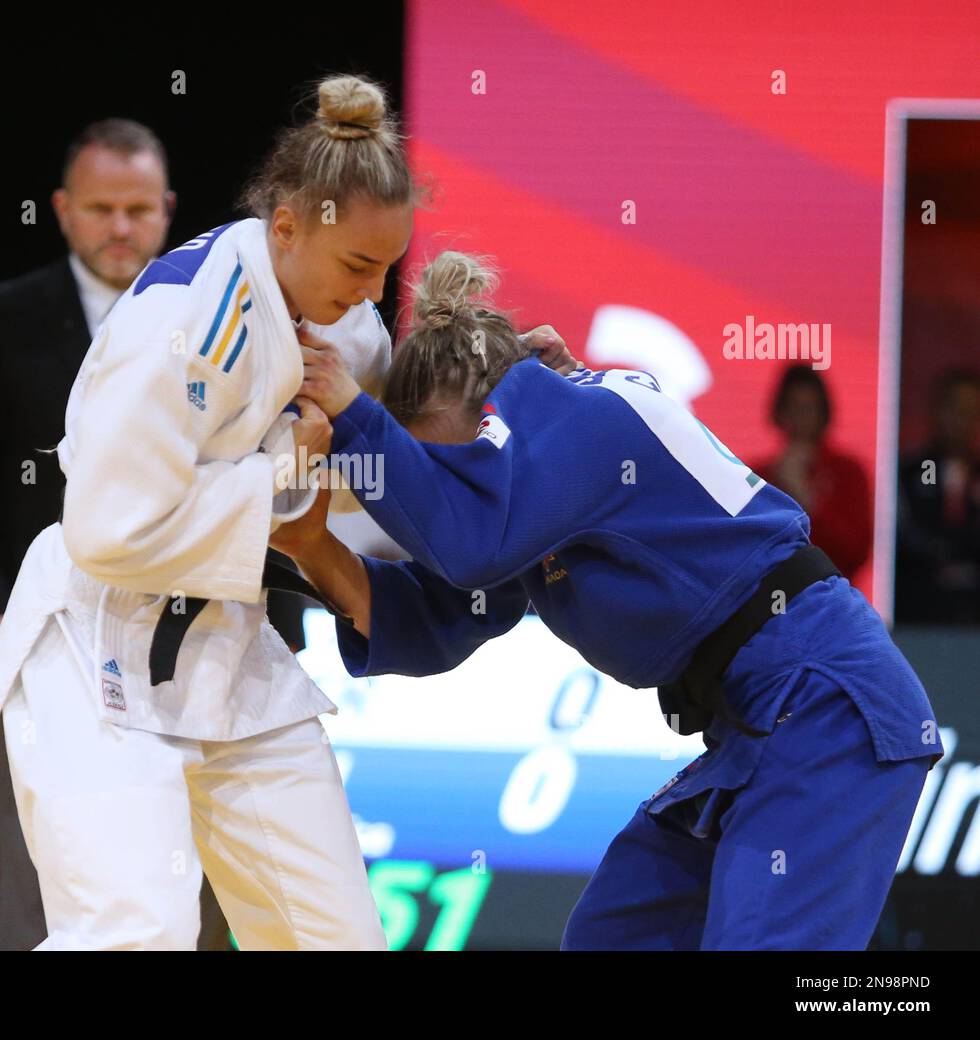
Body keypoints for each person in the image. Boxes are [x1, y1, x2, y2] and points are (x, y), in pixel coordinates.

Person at [280, 251, 943, 950]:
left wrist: (354, 415)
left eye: (448, 464)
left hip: (825, 702)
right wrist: (310, 544)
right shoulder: (534, 474)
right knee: (615, 935)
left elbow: (469, 544)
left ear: (487, 411)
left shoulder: (582, 421)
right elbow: (437, 617)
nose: (451, 485)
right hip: (752, 719)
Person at [0, 74, 419, 950]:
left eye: (386, 269)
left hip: (223, 645)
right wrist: (291, 471)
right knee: (137, 935)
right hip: (95, 647)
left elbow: (380, 428)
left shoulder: (346, 322)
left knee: (335, 937)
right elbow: (109, 530)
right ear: (286, 227)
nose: (370, 293)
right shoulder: (180, 324)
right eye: (358, 266)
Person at [0, 118, 178, 950]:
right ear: (63, 210)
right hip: (46, 637)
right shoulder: (2, 319)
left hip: (190, 636)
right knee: (46, 863)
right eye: (101, 207)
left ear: (168, 210)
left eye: (138, 208)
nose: (120, 227)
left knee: (196, 864)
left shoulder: (215, 319)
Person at [753, 364, 871, 579]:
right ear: (779, 412)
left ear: (823, 412)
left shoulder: (849, 473)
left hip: (834, 601)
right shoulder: (758, 477)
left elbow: (855, 552)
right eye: (793, 408)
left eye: (808, 409)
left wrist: (805, 495)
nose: (800, 419)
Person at [895, 368, 980, 624]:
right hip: (919, 609)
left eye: (969, 411)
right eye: (953, 408)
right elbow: (906, 534)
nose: (960, 419)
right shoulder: (909, 471)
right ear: (935, 411)